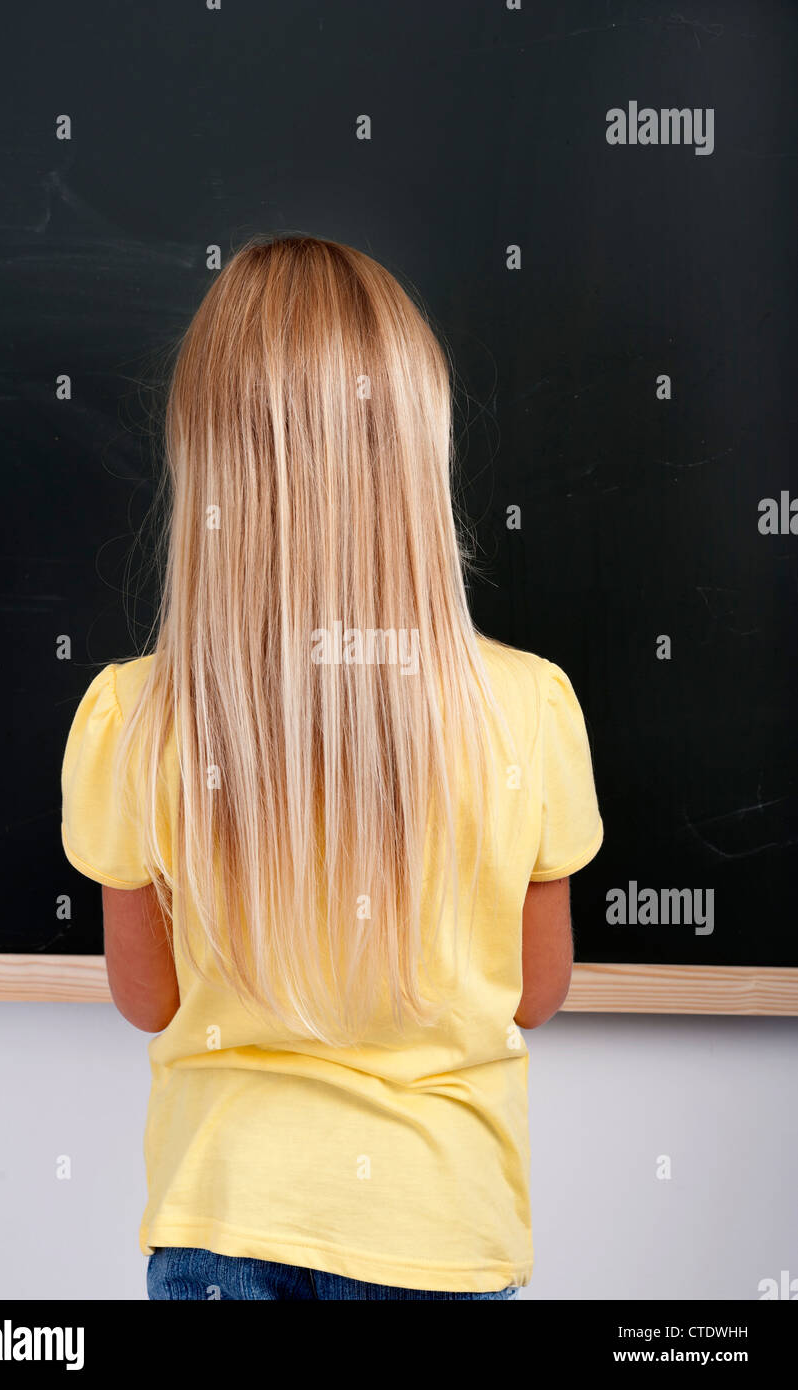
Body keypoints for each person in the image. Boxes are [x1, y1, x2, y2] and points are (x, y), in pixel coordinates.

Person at [60, 234, 603, 1301]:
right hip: (436, 1222)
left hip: (222, 1213)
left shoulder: (132, 719)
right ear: (411, 449)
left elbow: (150, 1000)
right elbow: (535, 994)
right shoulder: (527, 709)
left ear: (210, 461)